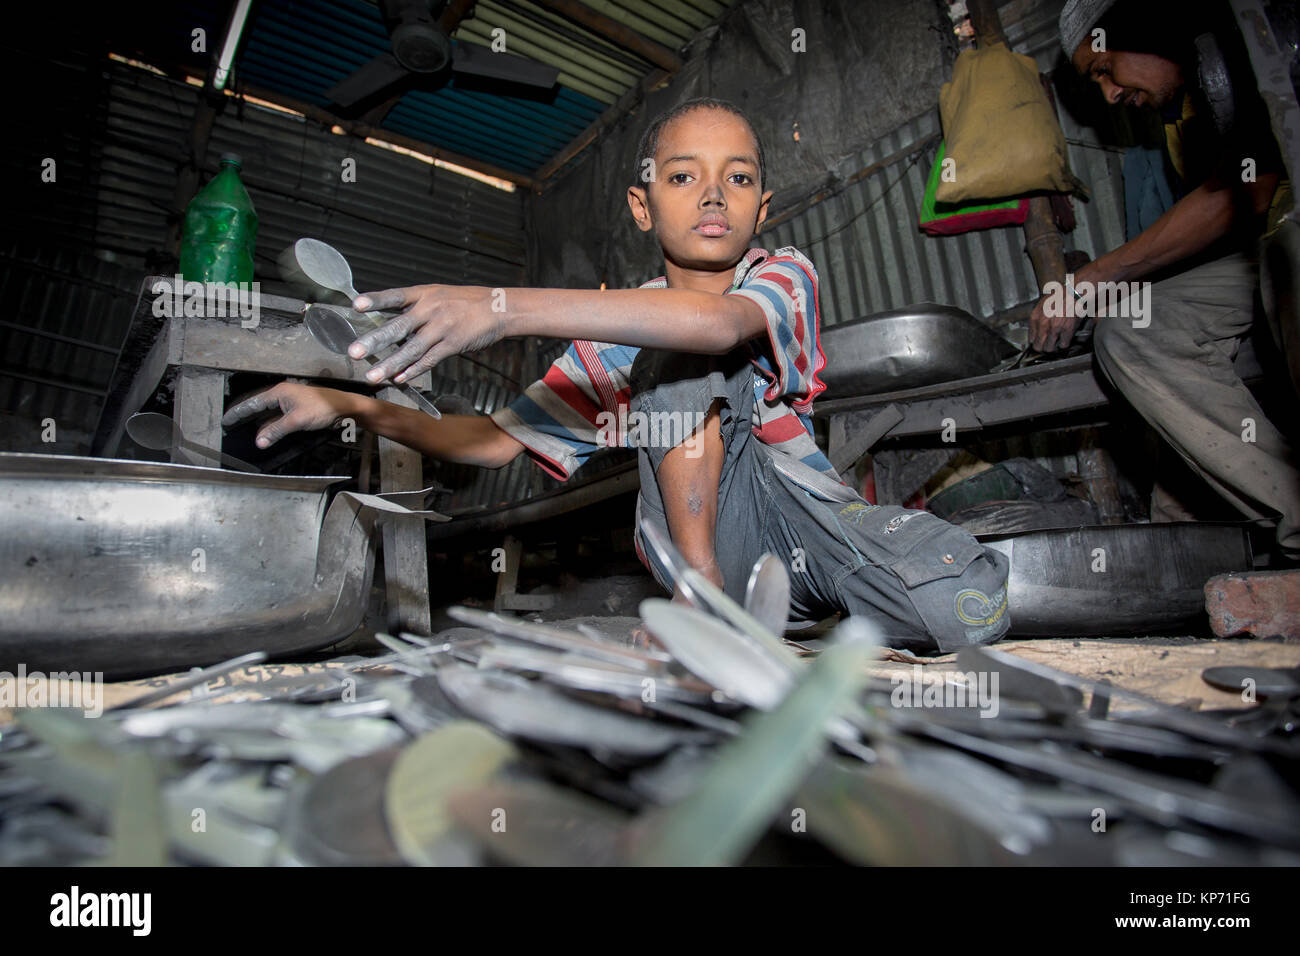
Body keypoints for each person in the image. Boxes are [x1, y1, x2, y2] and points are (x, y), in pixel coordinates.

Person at [223, 98, 1011, 653]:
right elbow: (491, 445)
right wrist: (342, 401)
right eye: (683, 177)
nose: (711, 193)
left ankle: (783, 614)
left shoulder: (782, 275)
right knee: (667, 352)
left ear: (762, 207)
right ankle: (705, 603)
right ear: (643, 207)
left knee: (965, 602)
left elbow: (717, 324)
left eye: (736, 178)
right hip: (703, 550)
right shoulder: (622, 337)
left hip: (801, 524)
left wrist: (501, 309)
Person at [1036, 0, 1299, 559]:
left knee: (1290, 256)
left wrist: (1092, 279)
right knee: (1135, 330)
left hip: (1288, 238)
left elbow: (1250, 192)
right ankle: (1294, 514)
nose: (1108, 94)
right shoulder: (1187, 119)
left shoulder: (1248, 54)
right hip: (1260, 252)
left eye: (1105, 68)